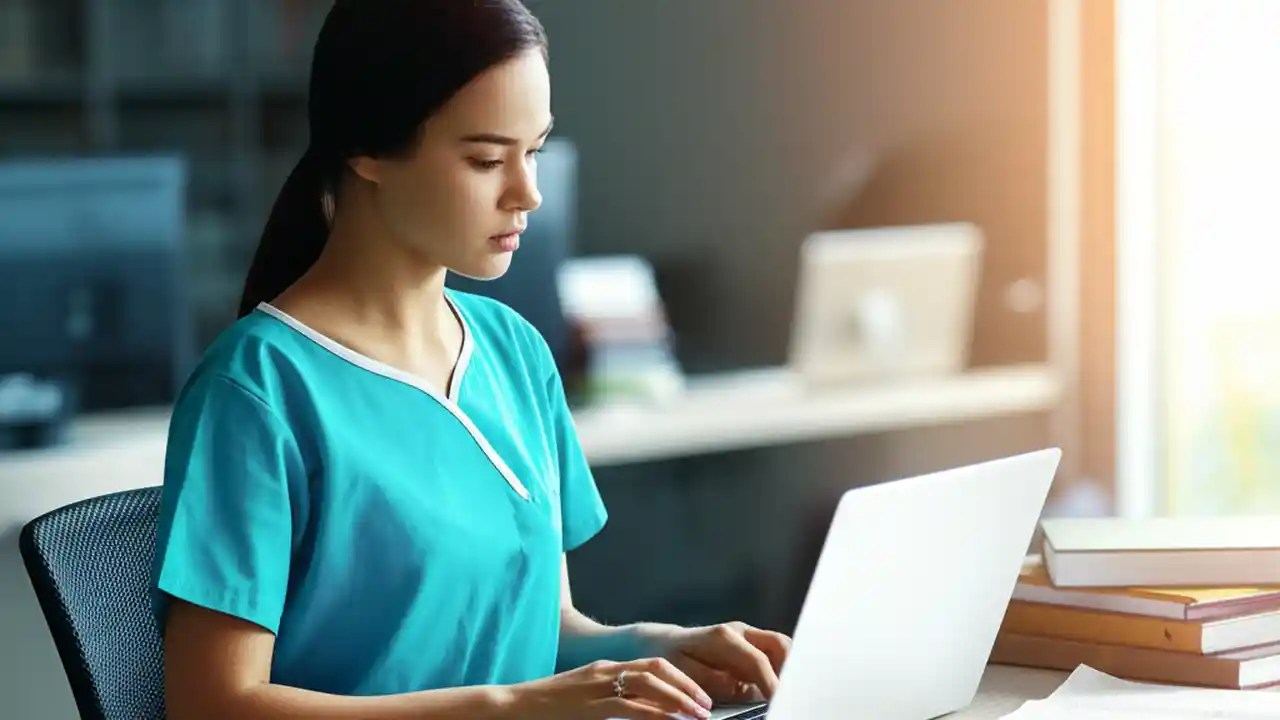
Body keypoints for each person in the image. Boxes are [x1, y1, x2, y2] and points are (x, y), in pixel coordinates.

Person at [150, 2, 791, 718]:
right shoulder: (258, 390)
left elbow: (543, 633)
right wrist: (507, 706)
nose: (528, 193)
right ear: (366, 149)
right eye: (486, 159)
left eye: (535, 151)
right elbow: (212, 704)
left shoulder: (513, 350)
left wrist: (661, 651)